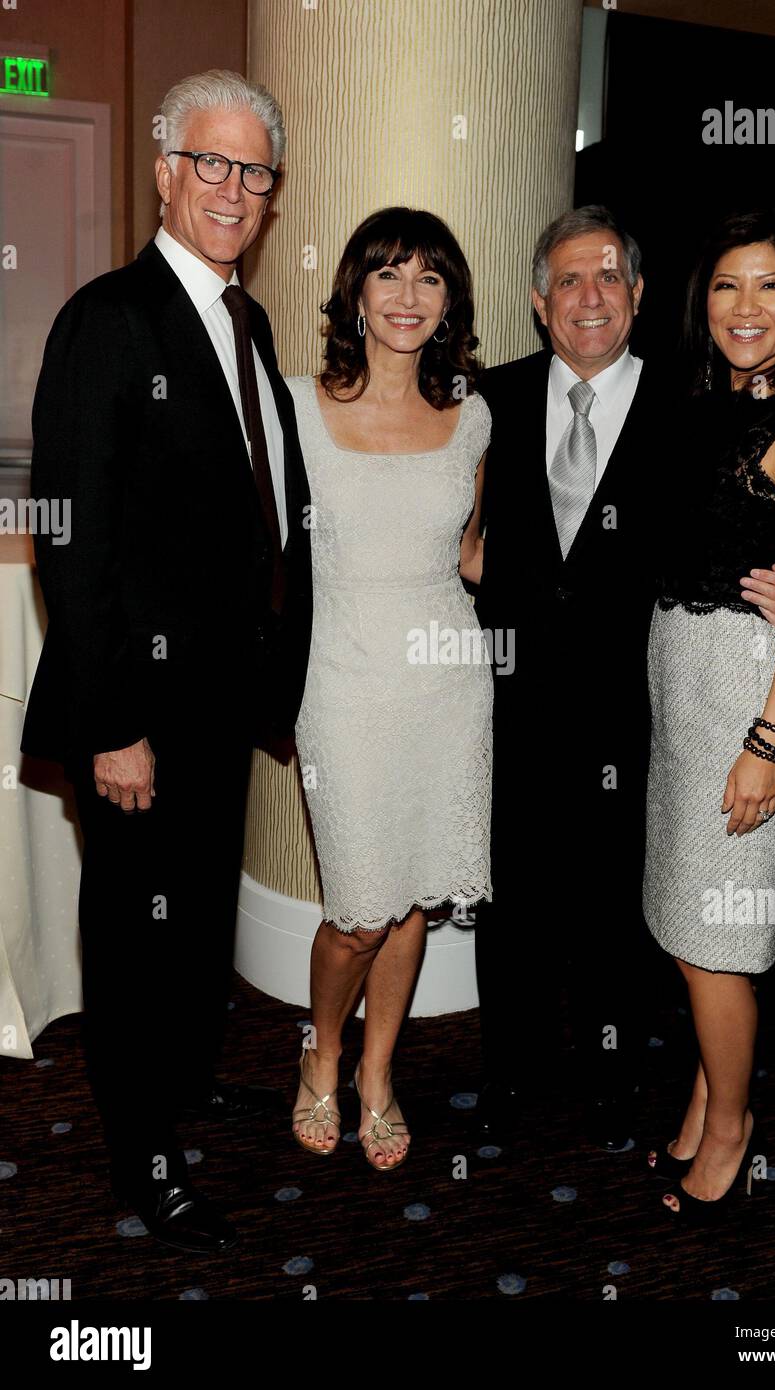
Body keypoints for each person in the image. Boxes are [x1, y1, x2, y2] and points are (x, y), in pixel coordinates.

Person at [21, 70, 312, 1252]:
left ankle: (183, 1088)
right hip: (136, 710)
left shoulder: (245, 322)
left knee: (190, 922)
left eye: (254, 171)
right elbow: (70, 539)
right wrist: (110, 723)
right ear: (163, 172)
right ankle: (141, 1153)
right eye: (212, 163)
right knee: (137, 939)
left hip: (215, 701)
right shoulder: (110, 318)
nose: (233, 190)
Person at [473, 206, 775, 1150]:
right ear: (539, 301)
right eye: (568, 279)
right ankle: (512, 1072)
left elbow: (758, 506)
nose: (589, 296)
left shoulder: (692, 406)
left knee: (623, 903)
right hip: (514, 695)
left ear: (640, 295)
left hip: (645, 703)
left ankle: (616, 1078)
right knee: (516, 897)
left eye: (608, 276)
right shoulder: (489, 398)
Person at [644, 210, 775, 1222]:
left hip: (748, 698)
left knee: (710, 938)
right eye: (726, 285)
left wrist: (765, 743)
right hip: (682, 687)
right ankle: (700, 1098)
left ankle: (730, 1131)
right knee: (688, 921)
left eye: (768, 286)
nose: (744, 307)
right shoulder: (699, 408)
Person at [286, 207, 491, 1170]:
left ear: (449, 301)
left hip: (446, 683)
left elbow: (473, 556)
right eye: (389, 276)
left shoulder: (474, 414)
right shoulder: (294, 407)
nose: (409, 298)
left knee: (411, 901)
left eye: (430, 279)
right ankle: (319, 1054)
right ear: (356, 295)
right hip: (340, 675)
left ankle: (378, 1074)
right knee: (360, 907)